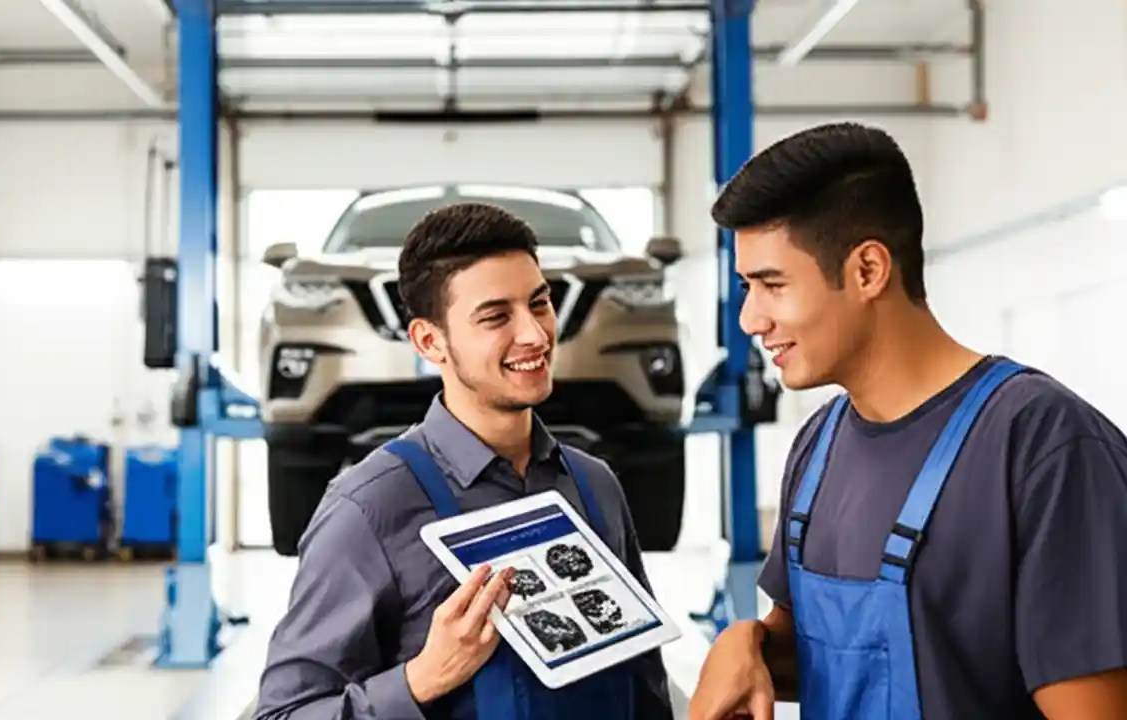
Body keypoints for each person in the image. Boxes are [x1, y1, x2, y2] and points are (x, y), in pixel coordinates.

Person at [687, 122, 1127, 719]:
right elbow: (823, 656)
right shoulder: (818, 447)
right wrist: (747, 645)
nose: (750, 319)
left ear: (868, 269)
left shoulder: (1042, 447)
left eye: (772, 285)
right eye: (747, 286)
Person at [254, 202, 673, 719]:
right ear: (431, 341)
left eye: (539, 304)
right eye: (497, 317)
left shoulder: (594, 487)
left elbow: (645, 687)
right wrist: (419, 681)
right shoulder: (370, 509)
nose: (536, 335)